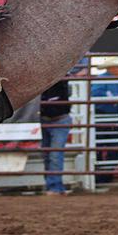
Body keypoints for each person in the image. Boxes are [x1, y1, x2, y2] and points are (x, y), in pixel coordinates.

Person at [40, 65, 80, 195]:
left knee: (54, 154)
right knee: (50, 155)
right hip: (50, 119)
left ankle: (54, 186)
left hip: (57, 119)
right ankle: (53, 186)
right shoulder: (55, 81)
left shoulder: (60, 80)